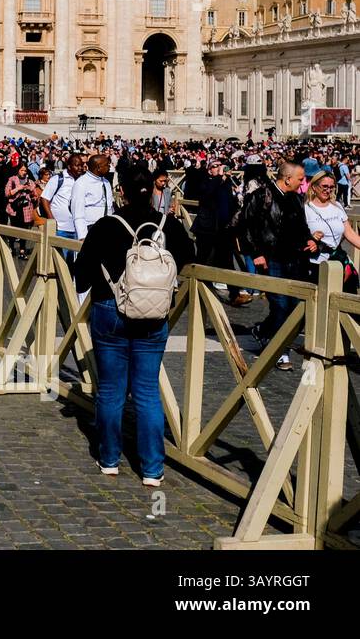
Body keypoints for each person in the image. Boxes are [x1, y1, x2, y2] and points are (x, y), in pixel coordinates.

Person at [73, 167, 194, 487]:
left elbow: (81, 273)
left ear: (121, 191)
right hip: (153, 315)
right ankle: (153, 469)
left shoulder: (106, 225)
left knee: (111, 390)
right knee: (146, 392)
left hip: (109, 310)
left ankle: (110, 458)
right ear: (153, 190)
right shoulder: (169, 225)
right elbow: (192, 254)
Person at [240, 160, 317, 371]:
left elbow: (302, 226)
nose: (303, 183)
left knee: (295, 307)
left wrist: (309, 240)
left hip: (296, 259)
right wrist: (256, 253)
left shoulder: (296, 199)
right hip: (272, 257)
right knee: (281, 305)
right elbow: (246, 225)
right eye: (301, 179)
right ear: (288, 178)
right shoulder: (261, 196)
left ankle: (263, 331)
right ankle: (281, 350)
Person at [192, 158, 249, 307]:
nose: (219, 168)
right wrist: (219, 178)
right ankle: (198, 291)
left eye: (220, 166)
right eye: (215, 166)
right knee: (204, 261)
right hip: (207, 228)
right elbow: (206, 195)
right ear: (210, 169)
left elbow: (230, 202)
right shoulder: (205, 181)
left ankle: (234, 294)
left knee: (228, 262)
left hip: (224, 229)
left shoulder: (227, 182)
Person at [304, 170, 360, 294]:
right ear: (314, 186)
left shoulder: (337, 206)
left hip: (339, 261)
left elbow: (350, 233)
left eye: (331, 187)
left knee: (346, 301)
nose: (328, 190)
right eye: (324, 186)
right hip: (316, 264)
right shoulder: (306, 209)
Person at [40, 153, 83, 264]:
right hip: (60, 229)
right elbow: (44, 199)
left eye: (81, 165)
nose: (80, 168)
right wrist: (52, 220)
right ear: (69, 166)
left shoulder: (82, 180)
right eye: (77, 165)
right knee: (59, 263)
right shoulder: (58, 179)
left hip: (77, 229)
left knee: (73, 263)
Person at [71, 153, 115, 240]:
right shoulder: (81, 183)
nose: (109, 166)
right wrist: (82, 236)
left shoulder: (106, 182)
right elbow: (77, 211)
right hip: (90, 228)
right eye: (107, 165)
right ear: (98, 167)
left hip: (108, 227)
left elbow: (110, 205)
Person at [4, 163, 39, 257]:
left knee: (24, 230)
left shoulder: (30, 182)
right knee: (13, 229)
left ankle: (22, 250)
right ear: (18, 170)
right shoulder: (12, 179)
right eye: (21, 170)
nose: (23, 172)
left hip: (26, 208)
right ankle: (11, 247)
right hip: (15, 208)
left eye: (25, 170)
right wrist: (18, 188)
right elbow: (7, 194)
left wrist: (33, 196)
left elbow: (35, 195)